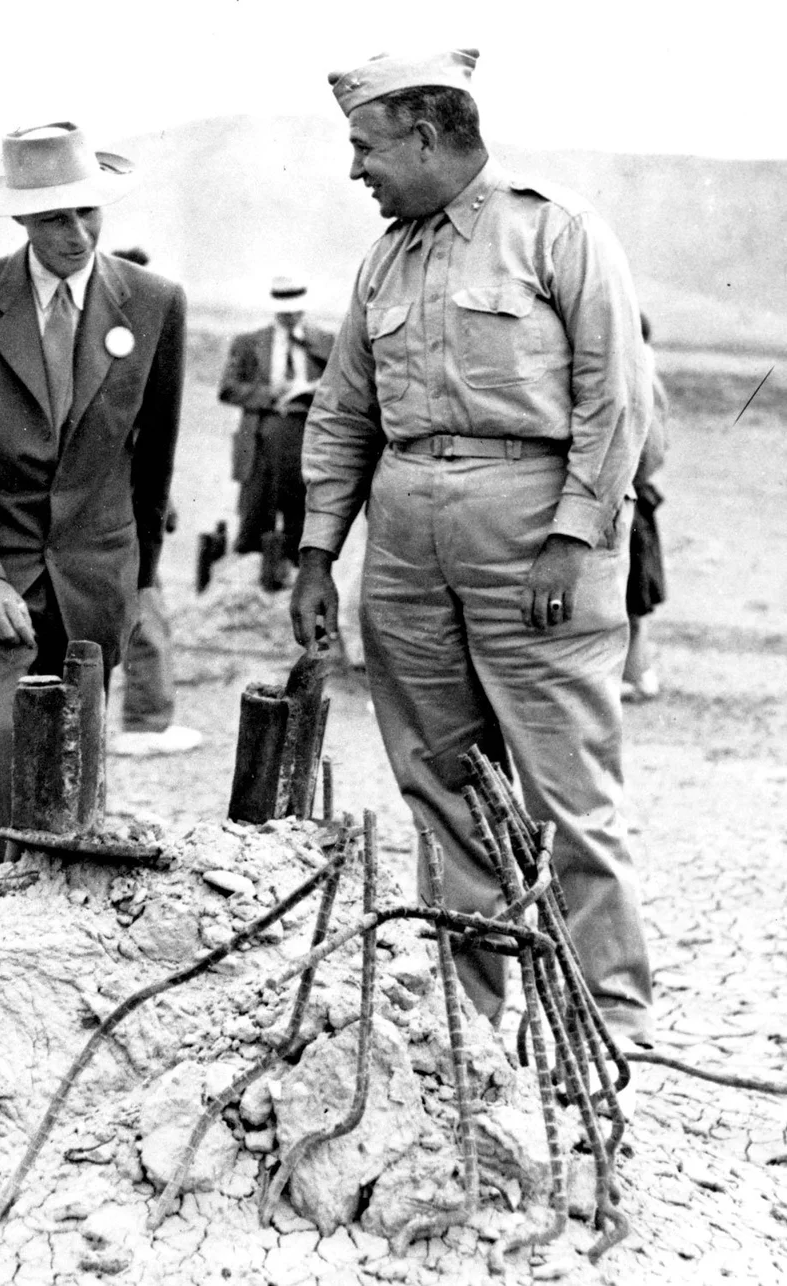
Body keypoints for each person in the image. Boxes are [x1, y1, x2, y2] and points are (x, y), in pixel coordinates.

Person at [290, 51, 655, 1076]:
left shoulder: (556, 230)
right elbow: (344, 412)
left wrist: (572, 539)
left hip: (534, 537)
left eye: (366, 147)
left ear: (426, 134)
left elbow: (613, 399)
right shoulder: (384, 262)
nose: (356, 169)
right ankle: (470, 1018)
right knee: (440, 787)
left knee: (565, 785)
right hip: (406, 546)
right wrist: (320, 551)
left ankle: (607, 1018)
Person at [0, 124, 186, 864]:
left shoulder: (155, 303)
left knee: (80, 761)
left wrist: (140, 579)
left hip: (97, 577)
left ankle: (67, 911)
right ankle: (3, 907)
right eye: (54, 217)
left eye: (87, 212)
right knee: (4, 742)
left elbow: (152, 461)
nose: (75, 232)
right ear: (21, 219)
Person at [109, 247, 202, 756]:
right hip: (117, 510)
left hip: (114, 506)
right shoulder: (128, 350)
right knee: (144, 607)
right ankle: (146, 720)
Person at [218, 276, 335, 579]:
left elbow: (341, 389)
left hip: (305, 438)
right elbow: (228, 389)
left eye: (296, 311)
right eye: (284, 311)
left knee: (301, 513)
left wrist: (313, 390)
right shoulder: (249, 343)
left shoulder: (324, 343)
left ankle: (296, 582)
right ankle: (249, 586)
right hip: (261, 439)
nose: (290, 316)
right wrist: (271, 395)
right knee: (256, 512)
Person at [622, 313, 669, 702]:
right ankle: (640, 672)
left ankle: (639, 674)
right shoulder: (647, 376)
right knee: (633, 597)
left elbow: (649, 452)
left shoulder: (637, 377)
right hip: (638, 496)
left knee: (630, 598)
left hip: (629, 498)